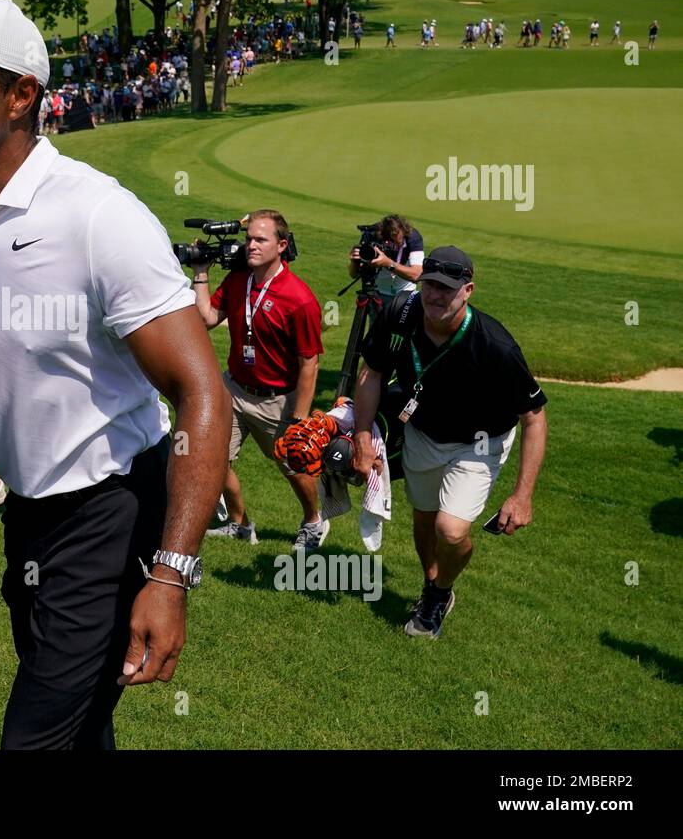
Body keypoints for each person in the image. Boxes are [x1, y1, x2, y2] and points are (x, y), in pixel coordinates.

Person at [0, 0, 230, 749]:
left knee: (35, 739)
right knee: (76, 719)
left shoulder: (98, 216)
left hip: (112, 507)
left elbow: (201, 392)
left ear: (21, 95)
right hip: (29, 508)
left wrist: (170, 575)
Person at [352, 247, 549, 639]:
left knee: (451, 530)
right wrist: (361, 436)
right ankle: (431, 586)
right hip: (423, 432)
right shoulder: (400, 314)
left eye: (447, 288)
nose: (436, 295)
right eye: (429, 285)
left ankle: (442, 592)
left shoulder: (496, 346)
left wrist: (522, 494)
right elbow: (371, 374)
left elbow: (535, 417)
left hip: (479, 443)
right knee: (424, 518)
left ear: (468, 290)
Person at [190, 210, 326, 548]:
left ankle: (313, 520)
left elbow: (310, 363)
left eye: (260, 240)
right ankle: (240, 523)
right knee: (212, 458)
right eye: (249, 238)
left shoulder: (300, 299)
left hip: (277, 399)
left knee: (294, 466)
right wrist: (201, 273)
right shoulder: (239, 280)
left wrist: (299, 418)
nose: (250, 245)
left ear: (281, 245)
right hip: (233, 388)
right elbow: (206, 317)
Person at [347, 213, 424, 298]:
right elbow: (353, 275)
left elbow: (417, 275)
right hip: (376, 292)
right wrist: (354, 263)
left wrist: (388, 263)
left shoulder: (412, 237)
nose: (395, 246)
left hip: (405, 292)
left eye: (398, 242)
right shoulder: (372, 237)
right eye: (391, 241)